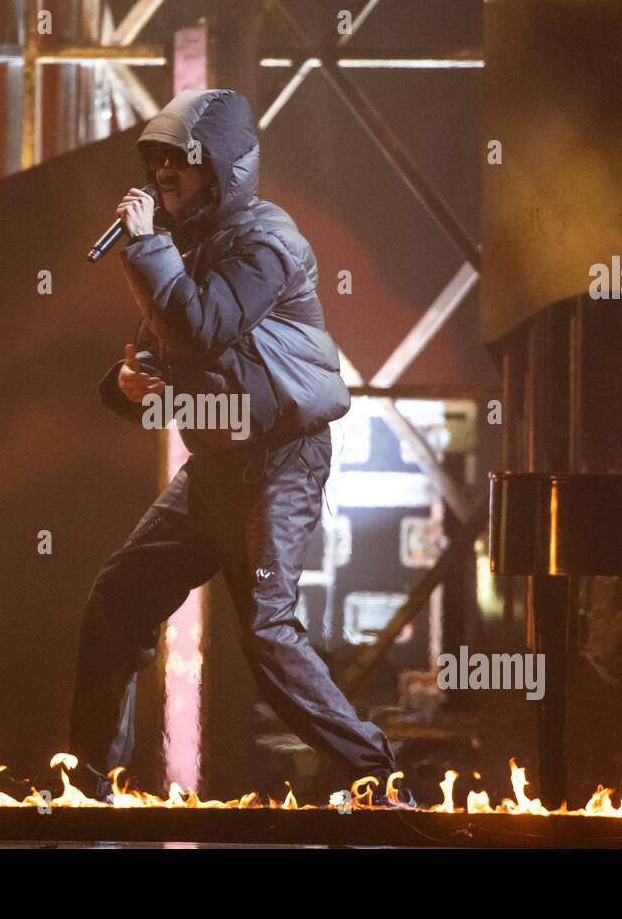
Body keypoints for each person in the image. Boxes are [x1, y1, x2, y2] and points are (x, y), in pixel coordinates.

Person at [67, 88, 401, 802]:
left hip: (279, 463)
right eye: (158, 171)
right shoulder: (187, 250)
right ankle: (90, 782)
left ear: (223, 173)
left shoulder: (266, 242)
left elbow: (203, 327)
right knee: (119, 598)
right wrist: (127, 381)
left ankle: (380, 780)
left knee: (269, 638)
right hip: (218, 464)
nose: (164, 183)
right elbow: (167, 354)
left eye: (179, 171)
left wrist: (150, 246)